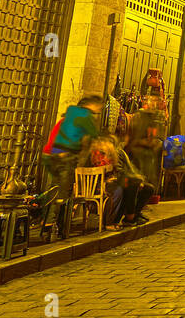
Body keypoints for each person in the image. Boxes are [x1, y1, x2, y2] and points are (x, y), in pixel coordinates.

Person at [41, 95, 103, 235]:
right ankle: (52, 226)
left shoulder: (66, 120)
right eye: (95, 111)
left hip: (52, 156)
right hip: (63, 158)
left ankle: (49, 222)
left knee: (55, 190)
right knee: (62, 193)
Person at [84, 134, 154, 229]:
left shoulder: (118, 153)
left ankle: (132, 216)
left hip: (115, 180)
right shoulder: (95, 154)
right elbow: (98, 171)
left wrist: (138, 179)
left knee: (142, 186)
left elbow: (124, 169)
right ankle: (118, 220)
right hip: (99, 185)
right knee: (123, 188)